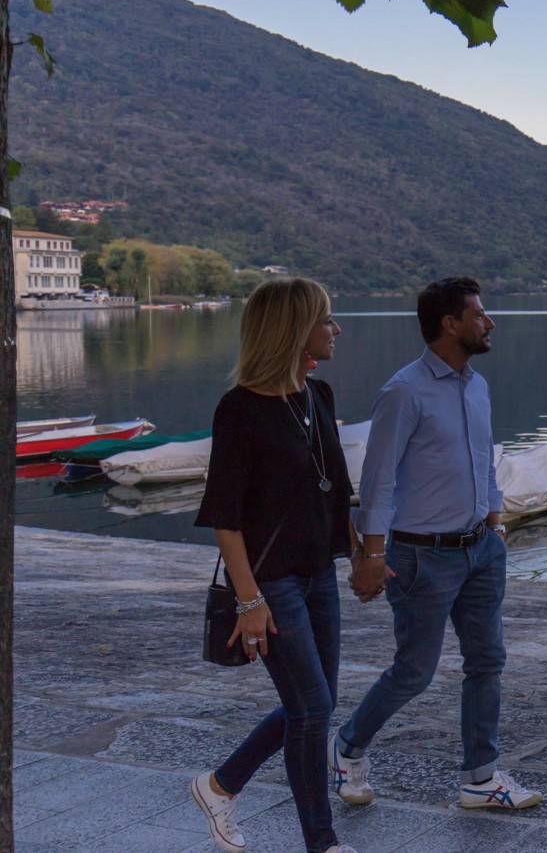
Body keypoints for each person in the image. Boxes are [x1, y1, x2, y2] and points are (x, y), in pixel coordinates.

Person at [332, 276, 539, 811]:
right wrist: (372, 557)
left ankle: (480, 778)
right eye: (479, 314)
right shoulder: (404, 391)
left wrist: (493, 524)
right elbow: (378, 481)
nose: (489, 322)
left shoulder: (477, 385)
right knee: (415, 672)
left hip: (480, 549)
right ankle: (348, 746)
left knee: (487, 660)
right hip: (421, 556)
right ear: (450, 324)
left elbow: (485, 458)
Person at [192, 278, 356, 853]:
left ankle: (220, 786)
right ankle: (323, 843)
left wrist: (361, 552)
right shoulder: (239, 409)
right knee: (312, 708)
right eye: (326, 319)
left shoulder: (319, 396)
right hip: (272, 581)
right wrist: (249, 599)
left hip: (319, 574)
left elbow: (331, 491)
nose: (335, 330)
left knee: (314, 706)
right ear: (294, 330)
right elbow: (224, 515)